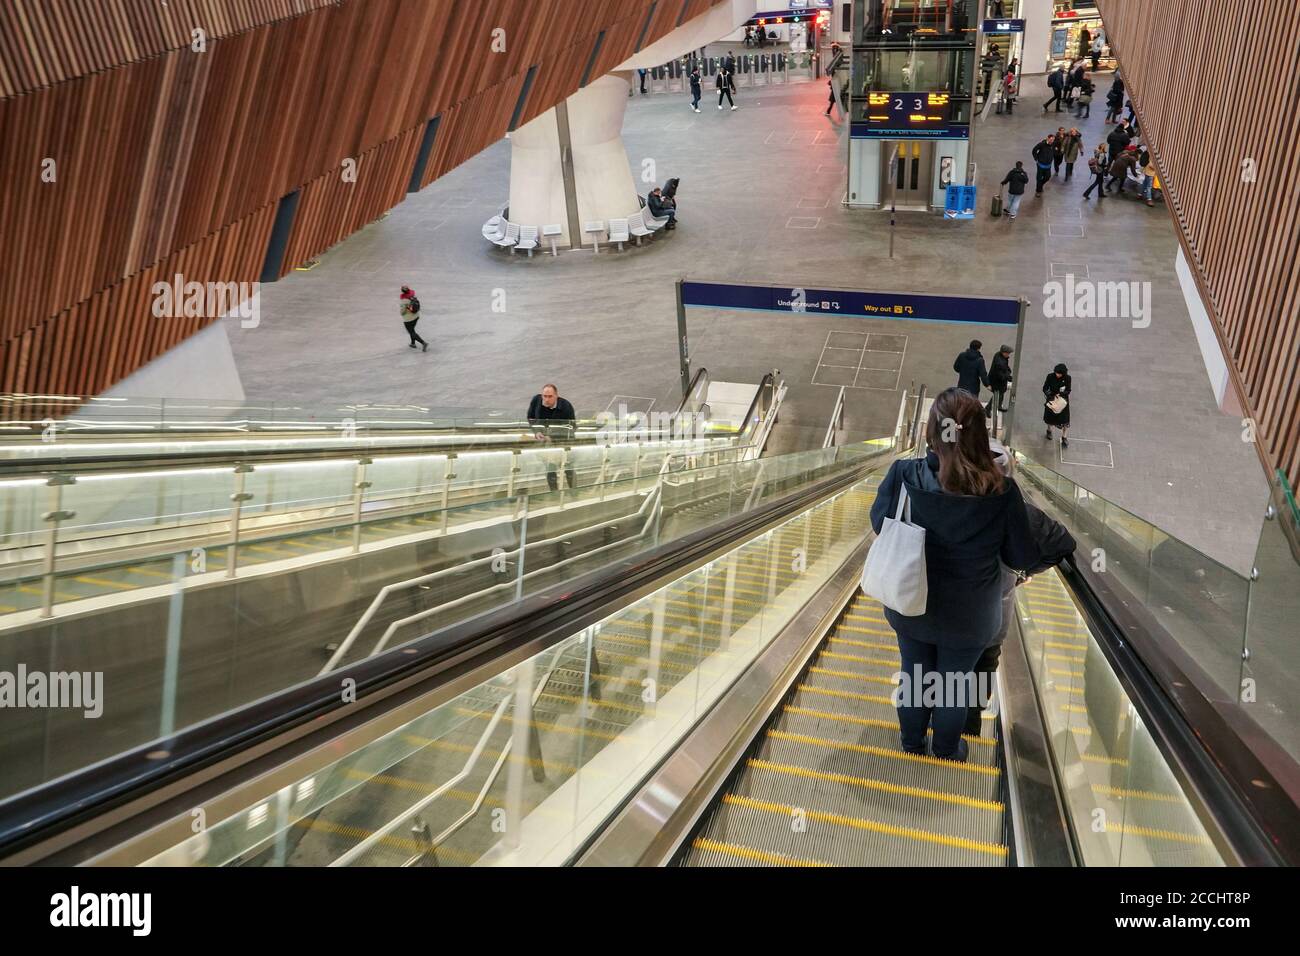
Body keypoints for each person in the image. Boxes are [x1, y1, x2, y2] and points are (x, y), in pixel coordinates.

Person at [869, 388, 1040, 761]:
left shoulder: (905, 474)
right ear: (980, 433)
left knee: (913, 677)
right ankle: (947, 748)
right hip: (971, 615)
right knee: (954, 686)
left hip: (911, 604)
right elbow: (1020, 554)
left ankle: (912, 743)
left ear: (933, 430)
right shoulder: (1001, 489)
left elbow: (880, 523)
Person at [965, 438, 1076, 737]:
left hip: (950, 610)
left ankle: (940, 732)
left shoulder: (953, 500)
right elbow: (1063, 544)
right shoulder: (1025, 515)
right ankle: (969, 729)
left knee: (946, 667)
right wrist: (1022, 572)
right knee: (983, 667)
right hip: (993, 615)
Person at [527, 384, 577, 491]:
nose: (546, 399)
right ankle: (554, 494)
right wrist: (537, 432)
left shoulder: (565, 406)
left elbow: (571, 427)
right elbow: (531, 418)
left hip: (563, 442)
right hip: (546, 442)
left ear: (556, 396)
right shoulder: (536, 400)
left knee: (568, 468)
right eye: (544, 396)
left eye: (550, 396)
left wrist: (553, 437)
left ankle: (574, 492)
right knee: (550, 467)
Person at [1043, 363, 1072, 447]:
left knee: (1065, 420)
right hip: (1052, 399)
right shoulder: (1050, 376)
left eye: (1059, 373)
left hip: (1062, 401)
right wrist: (1049, 395)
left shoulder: (1067, 378)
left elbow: (1068, 390)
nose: (1057, 375)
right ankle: (1049, 431)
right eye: (1056, 373)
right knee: (1050, 418)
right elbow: (1045, 388)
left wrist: (1061, 393)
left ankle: (1064, 437)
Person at [399, 285, 428, 352]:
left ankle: (423, 343)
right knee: (412, 330)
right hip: (416, 316)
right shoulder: (412, 295)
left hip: (408, 319)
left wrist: (401, 312)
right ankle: (413, 343)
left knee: (411, 332)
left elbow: (402, 312)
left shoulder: (404, 301)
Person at [987, 345, 1013, 415]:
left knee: (1000, 394)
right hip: (997, 381)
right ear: (1004, 352)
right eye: (1008, 353)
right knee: (997, 395)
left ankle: (999, 406)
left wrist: (1008, 371)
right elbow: (1000, 375)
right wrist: (1008, 377)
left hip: (998, 380)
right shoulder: (1000, 362)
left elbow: (1005, 368)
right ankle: (988, 409)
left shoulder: (999, 355)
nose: (1008, 354)